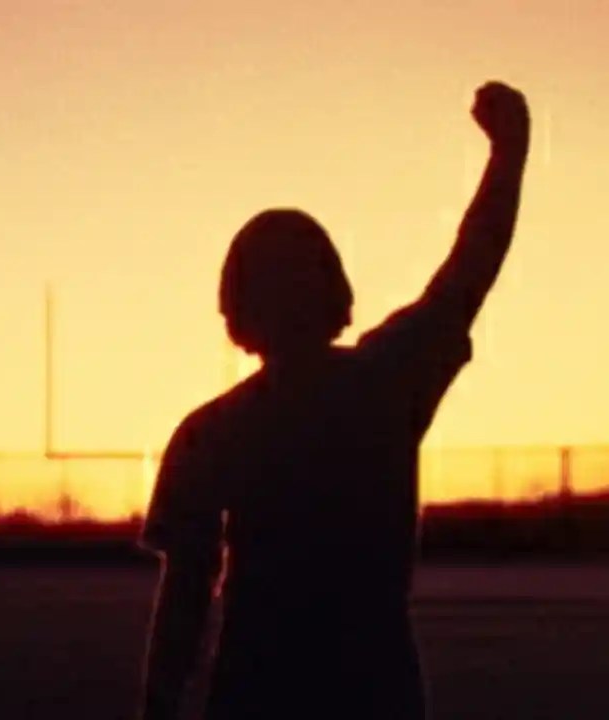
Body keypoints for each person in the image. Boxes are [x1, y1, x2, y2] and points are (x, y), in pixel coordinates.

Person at [138, 81, 530, 720]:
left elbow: (184, 597)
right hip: (375, 691)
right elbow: (470, 268)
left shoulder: (212, 433)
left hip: (255, 693)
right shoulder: (386, 381)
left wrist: (157, 707)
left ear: (235, 305)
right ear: (335, 288)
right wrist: (510, 155)